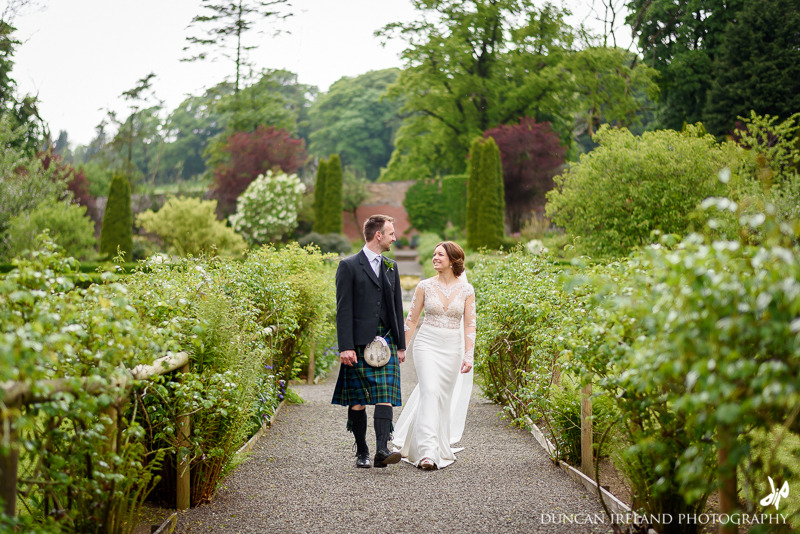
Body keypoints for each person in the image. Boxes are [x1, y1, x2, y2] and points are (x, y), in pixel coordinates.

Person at [391, 241, 476, 470]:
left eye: (440, 254)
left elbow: (469, 325)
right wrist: (402, 347)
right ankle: (427, 453)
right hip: (427, 344)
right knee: (429, 391)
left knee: (441, 399)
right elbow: (411, 319)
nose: (434, 258)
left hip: (453, 348)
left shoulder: (467, 290)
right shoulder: (424, 286)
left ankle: (428, 444)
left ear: (453, 260)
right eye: (434, 254)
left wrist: (469, 356)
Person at [331, 214, 406, 469]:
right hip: (359, 343)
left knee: (385, 395)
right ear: (378, 235)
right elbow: (343, 309)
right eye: (391, 234)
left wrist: (402, 345)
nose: (394, 238)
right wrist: (345, 346)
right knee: (358, 400)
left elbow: (397, 307)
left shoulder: (391, 266)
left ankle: (382, 450)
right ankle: (362, 450)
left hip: (386, 341)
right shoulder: (349, 265)